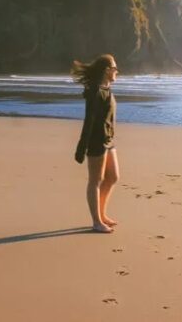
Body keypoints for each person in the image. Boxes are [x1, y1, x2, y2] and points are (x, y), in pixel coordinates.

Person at [71, 54, 119, 233]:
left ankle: (102, 214)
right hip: (96, 140)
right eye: (114, 69)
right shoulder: (96, 92)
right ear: (107, 71)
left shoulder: (106, 88)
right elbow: (89, 120)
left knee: (113, 177)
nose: (117, 72)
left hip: (108, 139)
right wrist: (81, 147)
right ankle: (97, 222)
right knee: (95, 181)